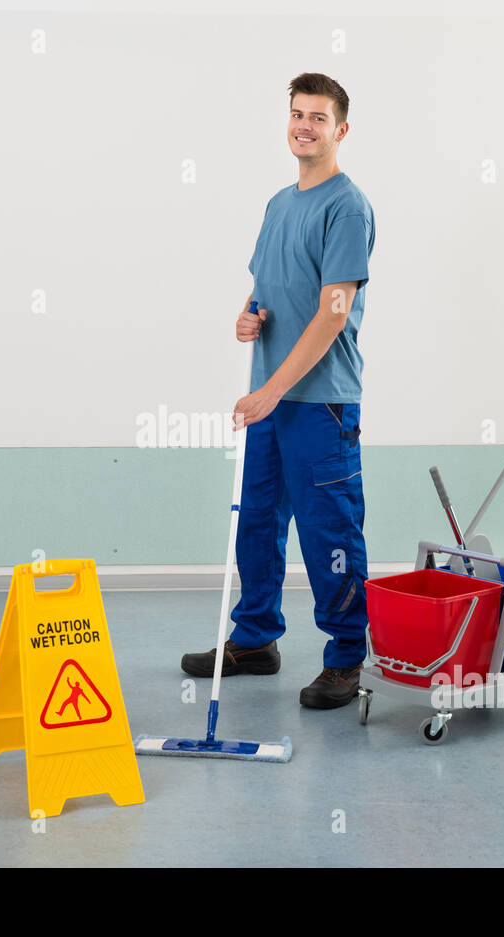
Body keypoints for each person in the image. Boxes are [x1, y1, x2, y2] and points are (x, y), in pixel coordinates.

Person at [181, 72, 375, 709]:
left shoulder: (347, 207)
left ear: (340, 130)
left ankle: (346, 659)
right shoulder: (277, 204)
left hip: (319, 402)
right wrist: (247, 316)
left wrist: (271, 391)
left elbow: (333, 312)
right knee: (258, 523)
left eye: (318, 117)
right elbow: (264, 285)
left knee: (330, 533)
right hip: (268, 399)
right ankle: (256, 638)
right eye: (297, 114)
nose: (305, 126)